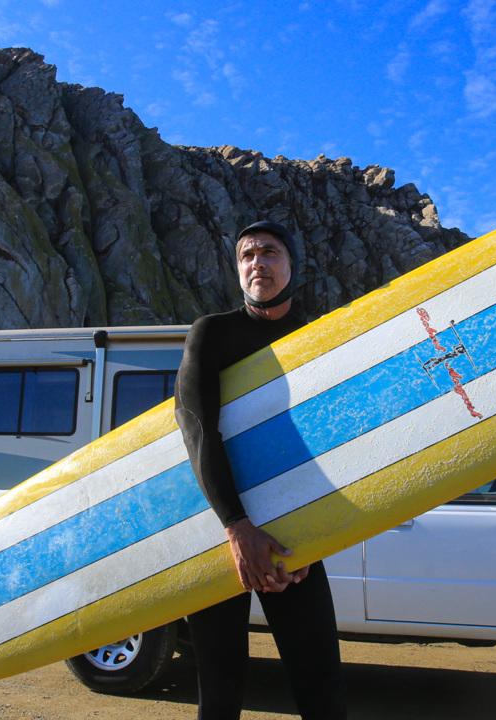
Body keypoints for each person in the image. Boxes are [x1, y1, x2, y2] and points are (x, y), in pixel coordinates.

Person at [174, 221, 347, 720]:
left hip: (294, 535)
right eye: (246, 255)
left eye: (269, 253)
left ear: (292, 265)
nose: (257, 263)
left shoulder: (318, 337)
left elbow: (330, 444)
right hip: (220, 530)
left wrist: (315, 535)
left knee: (322, 688)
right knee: (221, 690)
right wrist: (235, 526)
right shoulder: (213, 333)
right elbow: (197, 428)